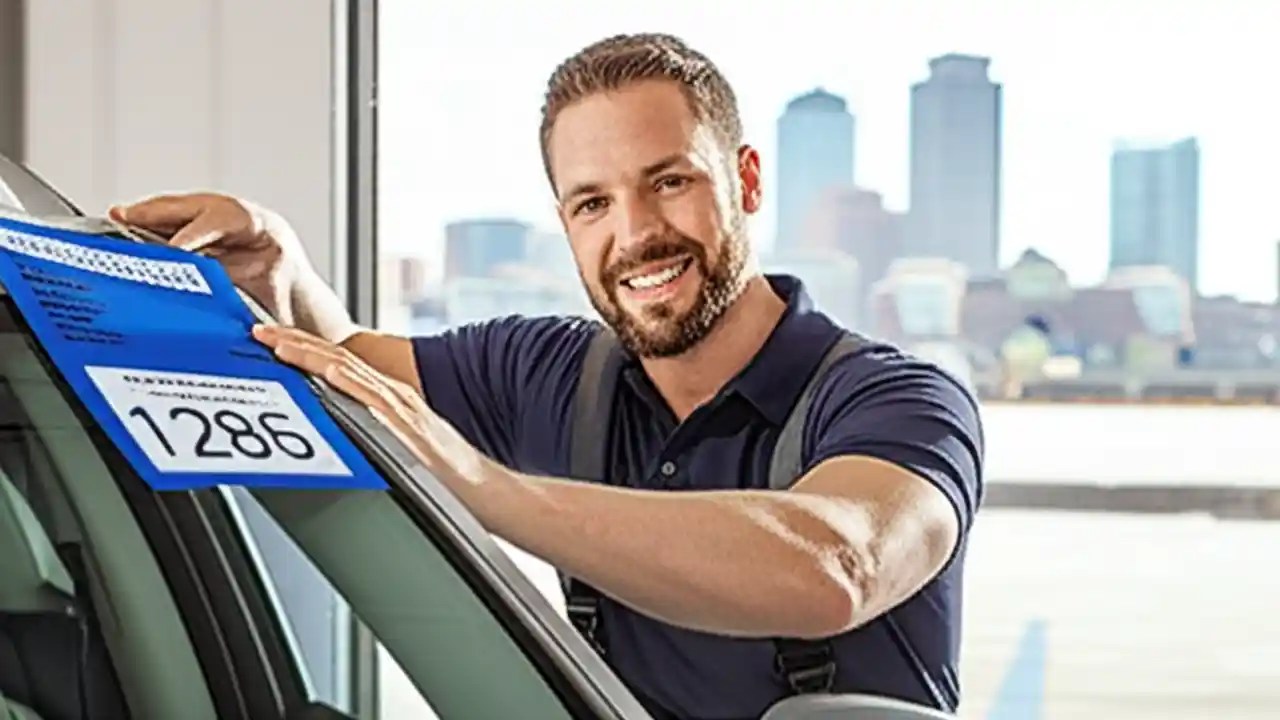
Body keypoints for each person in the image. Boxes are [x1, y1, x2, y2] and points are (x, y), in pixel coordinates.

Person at [109, 32, 983, 720]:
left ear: (746, 181)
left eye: (669, 181)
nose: (637, 234)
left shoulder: (897, 400)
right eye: (593, 203)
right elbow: (349, 364)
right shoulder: (547, 371)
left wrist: (480, 487)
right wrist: (282, 269)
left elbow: (834, 568)